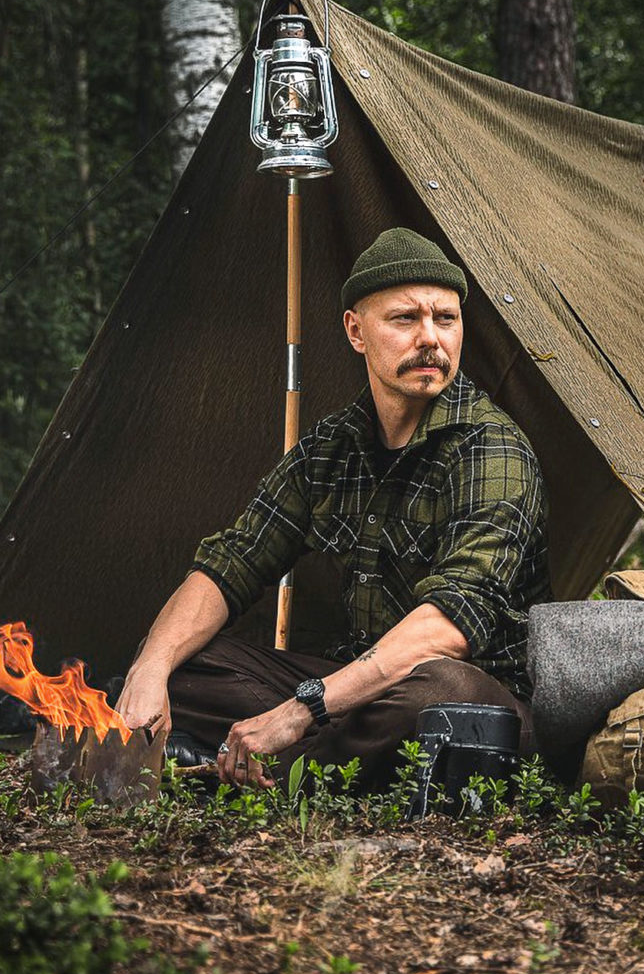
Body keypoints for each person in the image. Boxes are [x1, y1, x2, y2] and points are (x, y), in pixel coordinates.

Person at [114, 228, 550, 789]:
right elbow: (233, 564)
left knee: (446, 689)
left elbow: (450, 628)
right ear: (355, 331)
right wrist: (151, 669)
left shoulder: (492, 448)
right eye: (404, 320)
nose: (430, 339)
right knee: (178, 657)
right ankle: (311, 760)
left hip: (474, 701)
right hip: (351, 697)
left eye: (445, 318)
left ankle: (261, 767)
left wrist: (298, 712)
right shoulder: (332, 448)